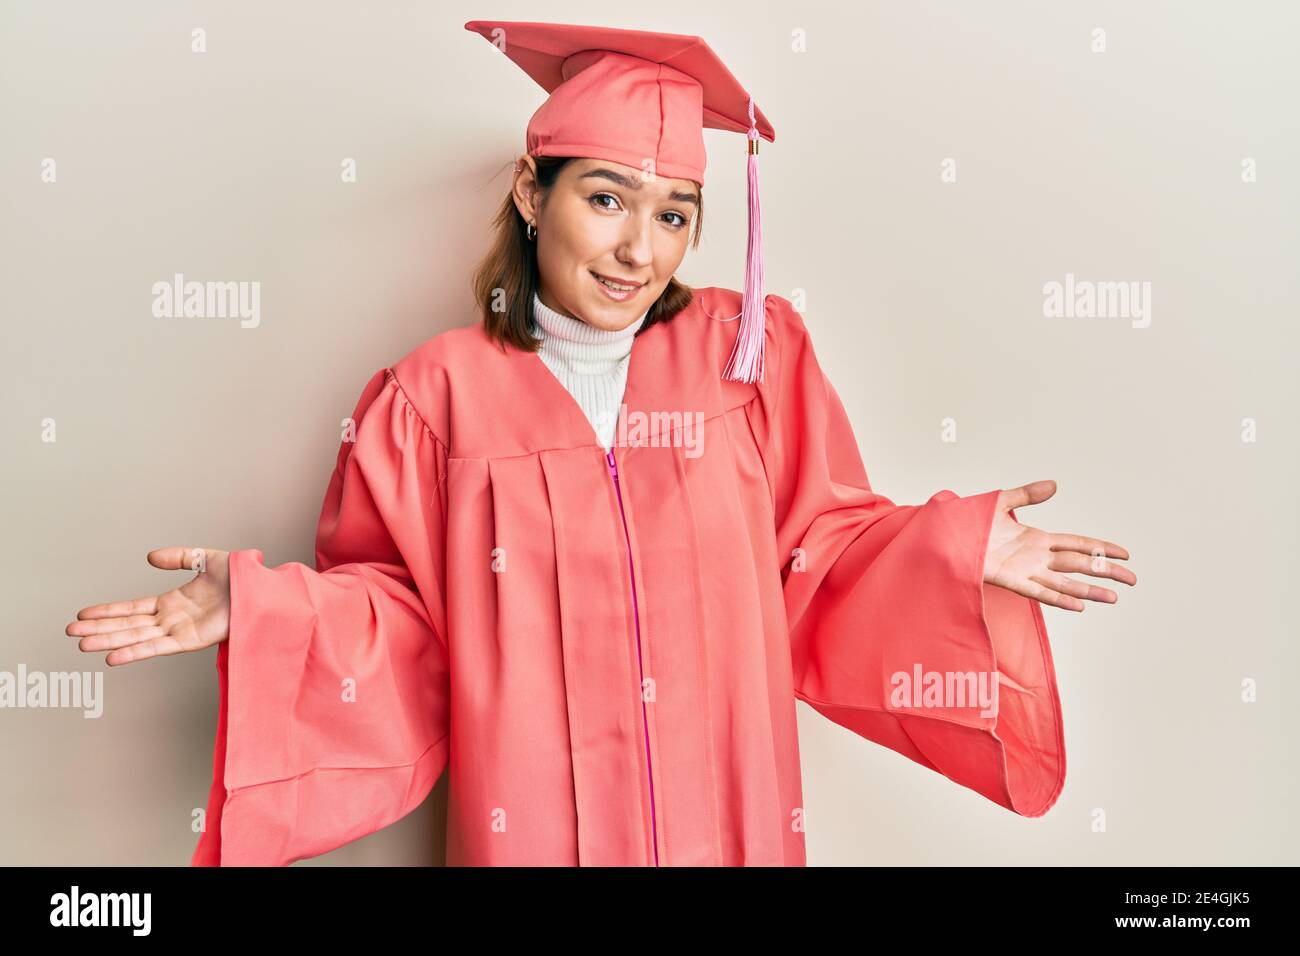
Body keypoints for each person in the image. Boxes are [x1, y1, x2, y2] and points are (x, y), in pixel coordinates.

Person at [66, 20, 1136, 866]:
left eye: (675, 214)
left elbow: (819, 549)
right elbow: (402, 621)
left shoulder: (746, 359)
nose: (639, 247)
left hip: (737, 824)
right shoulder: (431, 400)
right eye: (607, 197)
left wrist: (954, 549)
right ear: (534, 194)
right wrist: (261, 610)